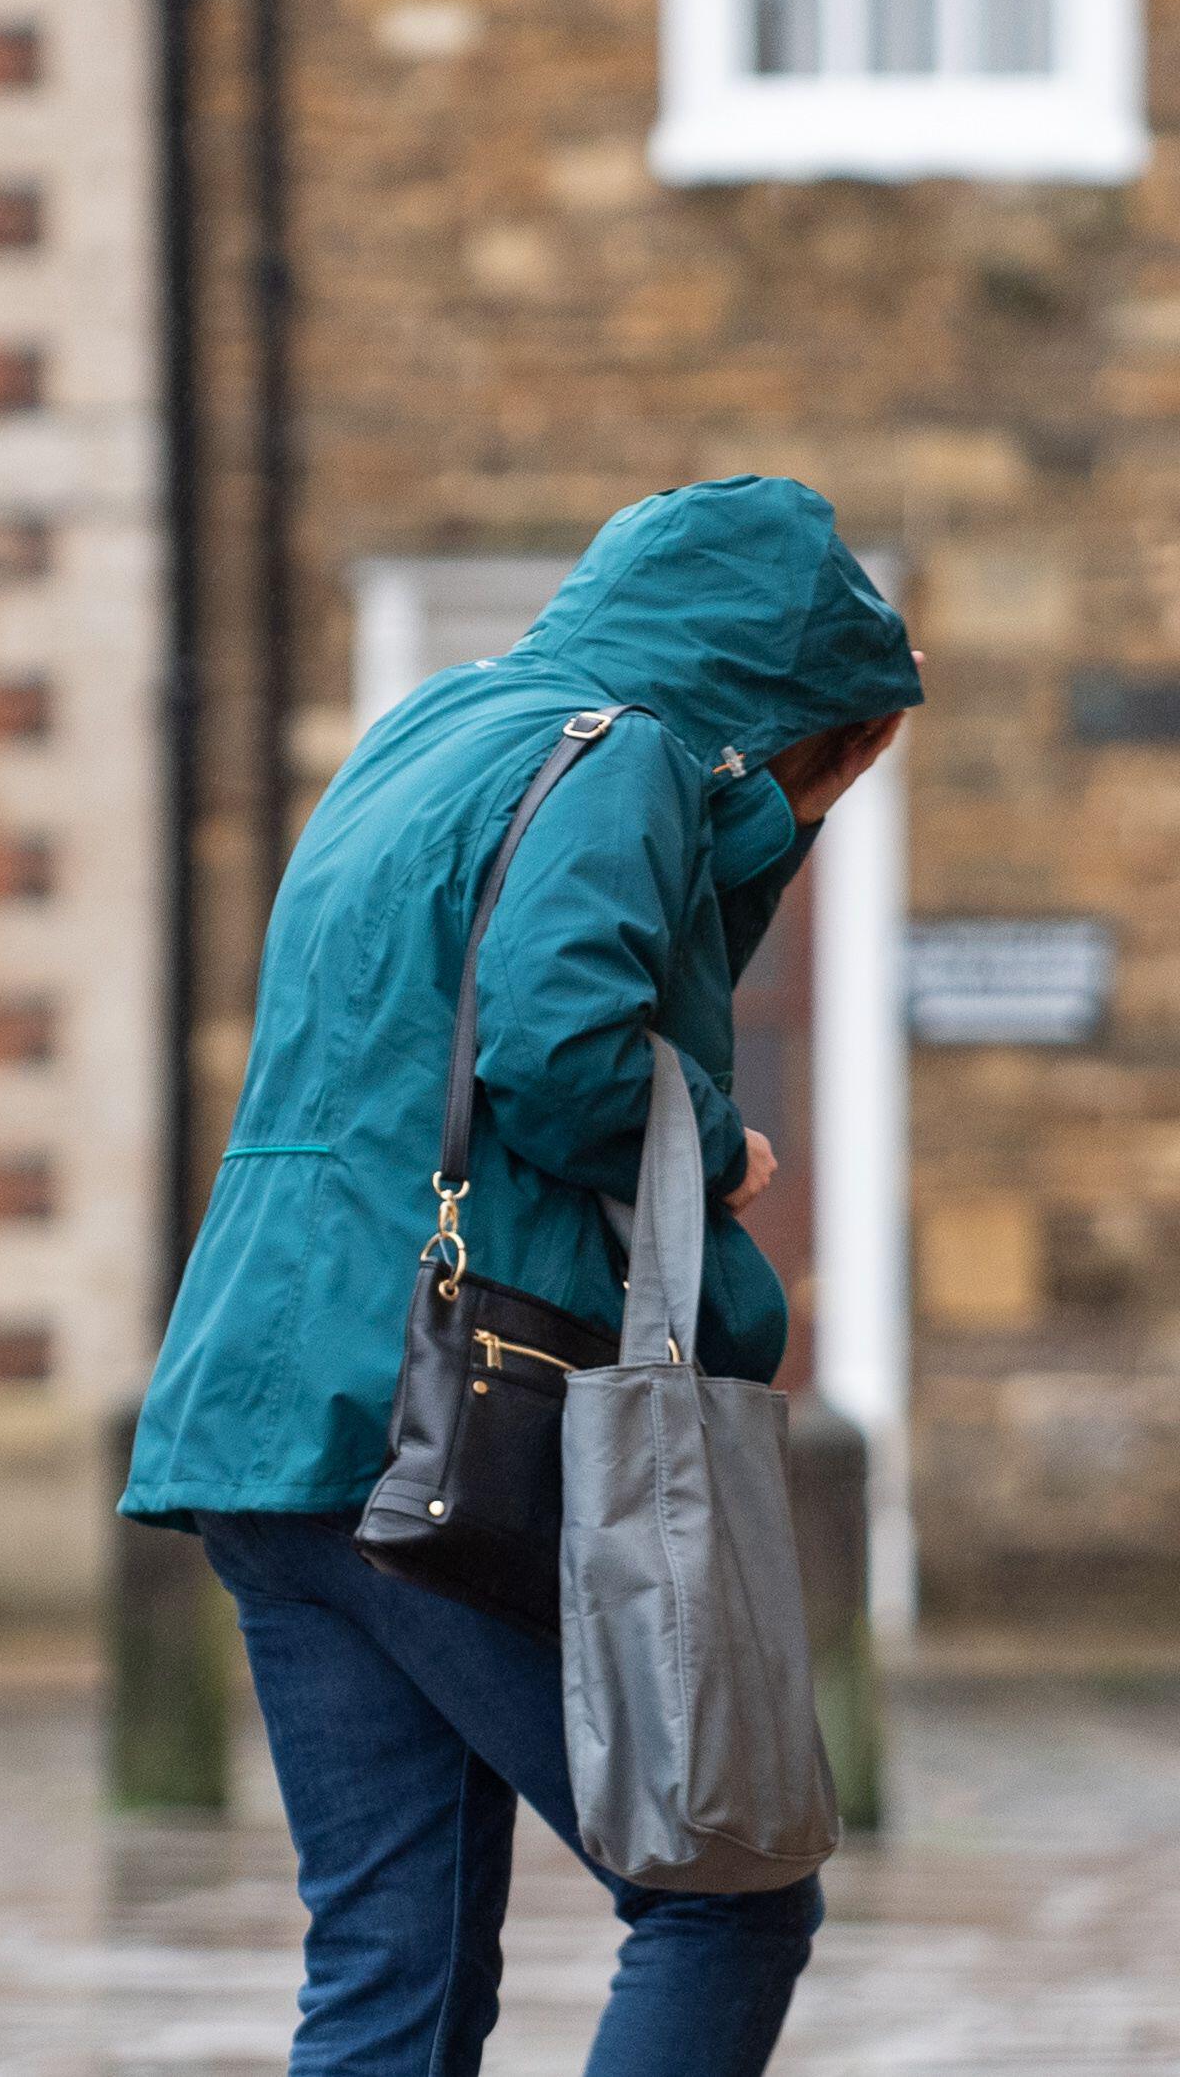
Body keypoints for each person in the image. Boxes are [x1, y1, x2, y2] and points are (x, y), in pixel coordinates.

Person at [121, 475, 923, 2077]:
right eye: (829, 763)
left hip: (266, 1425)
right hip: (443, 1428)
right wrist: (715, 1131)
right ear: (776, 704)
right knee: (726, 1890)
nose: (818, 805)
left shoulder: (427, 731)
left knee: (387, 1967)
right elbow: (558, 1049)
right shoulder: (624, 755)